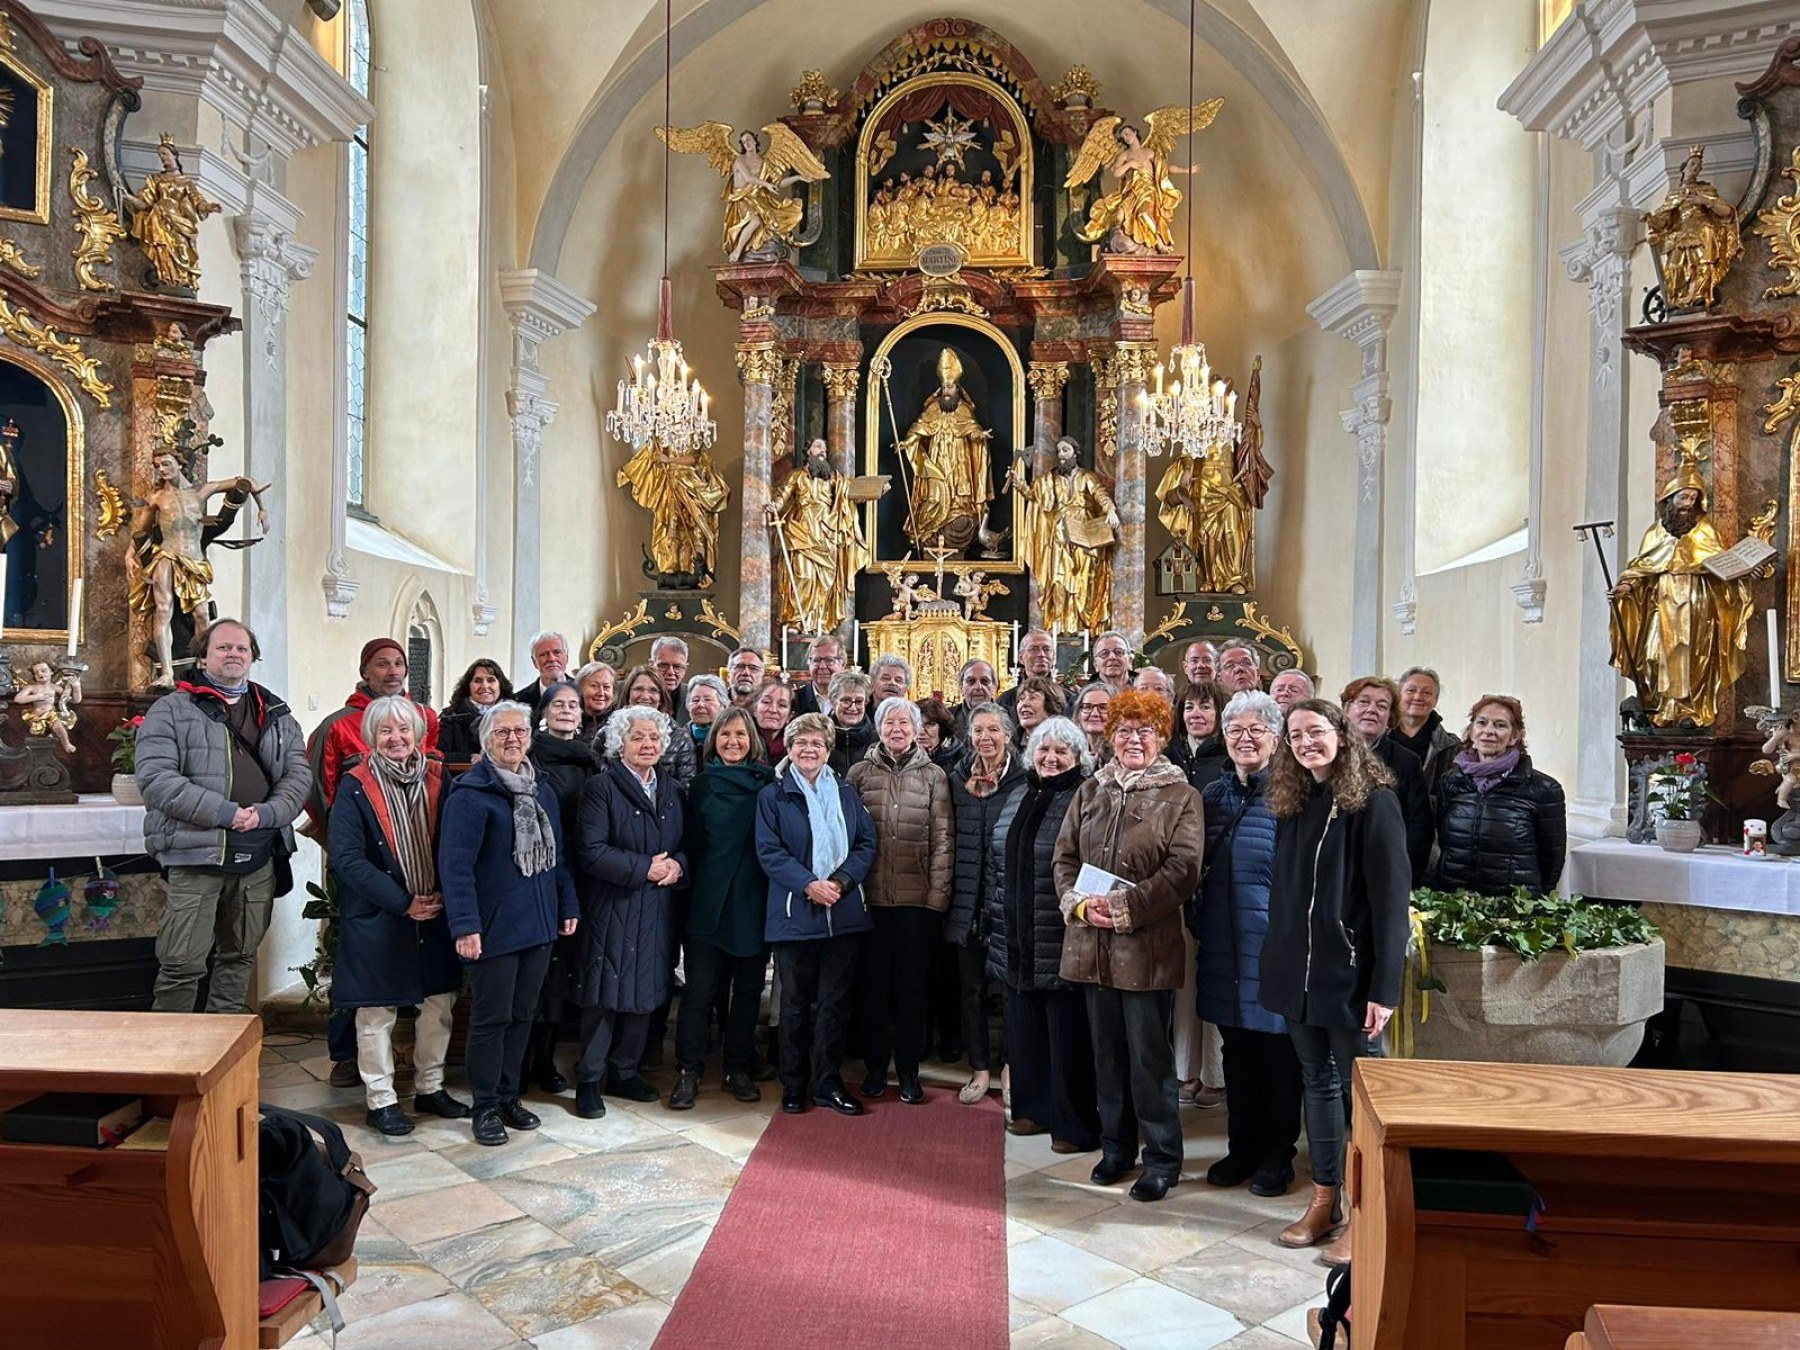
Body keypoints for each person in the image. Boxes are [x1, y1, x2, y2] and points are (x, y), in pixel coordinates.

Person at [1262, 698, 1409, 1264]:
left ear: (1342, 736)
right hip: (1299, 976)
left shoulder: (1375, 804)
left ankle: (1364, 1216)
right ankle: (1324, 1201)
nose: (1305, 743)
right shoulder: (1294, 800)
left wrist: (1385, 989)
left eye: (1315, 732)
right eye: (1295, 735)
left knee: (1361, 1103)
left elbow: (1391, 903)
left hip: (1350, 979)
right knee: (1316, 1085)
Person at [1054, 689, 1204, 1203]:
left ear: (1162, 738)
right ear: (1110, 737)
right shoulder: (1091, 790)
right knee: (1107, 1057)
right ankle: (1116, 1149)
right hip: (1092, 946)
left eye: (1145, 731)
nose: (1133, 739)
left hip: (1147, 949)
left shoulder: (1182, 796)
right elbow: (1064, 856)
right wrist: (1078, 904)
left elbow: (1182, 871)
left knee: (1148, 1060)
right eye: (1124, 730)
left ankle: (1162, 1159)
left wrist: (1123, 909)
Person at [138, 620, 309, 1014]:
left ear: (253, 657)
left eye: (241, 648)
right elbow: (157, 779)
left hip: (258, 851)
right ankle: (173, 1063)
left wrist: (265, 814)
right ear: (203, 655)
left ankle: (224, 1057)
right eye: (223, 648)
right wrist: (228, 814)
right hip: (198, 853)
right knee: (182, 963)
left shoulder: (276, 711)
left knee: (240, 957)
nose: (233, 654)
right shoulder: (171, 711)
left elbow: (299, 775)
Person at [440, 701, 579, 1146]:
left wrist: (566, 905)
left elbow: (556, 857)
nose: (513, 739)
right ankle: (484, 1106)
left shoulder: (541, 792)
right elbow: (455, 867)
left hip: (537, 924)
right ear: (486, 740)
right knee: (491, 1018)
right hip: (493, 928)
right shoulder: (470, 794)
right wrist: (465, 926)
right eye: (503, 733)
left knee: (523, 1016)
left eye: (520, 731)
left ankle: (507, 1095)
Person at [329, 696, 467, 1135]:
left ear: (418, 734)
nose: (396, 738)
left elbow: (456, 842)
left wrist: (442, 895)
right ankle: (382, 1098)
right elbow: (348, 860)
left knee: (438, 1004)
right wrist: (403, 901)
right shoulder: (354, 785)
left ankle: (430, 1086)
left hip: (436, 911)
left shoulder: (438, 777)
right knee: (375, 1012)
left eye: (404, 730)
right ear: (372, 736)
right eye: (386, 731)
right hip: (379, 913)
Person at [1191, 692, 1301, 1196]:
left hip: (1274, 950)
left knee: (1278, 1058)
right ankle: (1242, 1149)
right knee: (1236, 1054)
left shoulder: (1293, 797)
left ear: (1276, 739)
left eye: (1257, 730)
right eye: (1235, 731)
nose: (1245, 739)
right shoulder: (1213, 796)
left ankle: (1278, 1157)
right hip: (1223, 946)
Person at [755, 712, 878, 1115]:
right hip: (796, 913)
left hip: (842, 914)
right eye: (801, 743)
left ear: (827, 751)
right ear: (789, 749)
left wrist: (840, 882)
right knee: (793, 1004)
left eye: (817, 744)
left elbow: (865, 843)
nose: (810, 750)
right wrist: (809, 883)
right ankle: (793, 1084)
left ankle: (827, 1082)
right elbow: (770, 852)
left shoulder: (844, 793)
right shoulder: (772, 796)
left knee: (834, 1003)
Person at [988, 717, 1099, 1152]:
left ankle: (1073, 1123)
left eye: (1061, 752)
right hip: (1014, 932)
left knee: (1066, 1033)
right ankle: (1031, 1110)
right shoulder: (1018, 793)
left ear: (1078, 758)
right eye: (1043, 750)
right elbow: (998, 860)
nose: (1050, 759)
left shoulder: (1085, 796)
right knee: (1024, 1028)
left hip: (1061, 932)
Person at [571, 705, 686, 1116]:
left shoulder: (670, 788)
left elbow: (685, 845)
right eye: (638, 737)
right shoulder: (601, 788)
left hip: (656, 905)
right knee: (604, 992)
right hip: (613, 906)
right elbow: (590, 851)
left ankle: (624, 1072)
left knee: (644, 991)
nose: (647, 744)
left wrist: (677, 866)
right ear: (621, 742)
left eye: (654, 738)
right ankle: (589, 1079)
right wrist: (645, 868)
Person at [848, 697, 954, 1103]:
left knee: (912, 990)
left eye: (904, 723)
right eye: (889, 722)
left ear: (916, 731)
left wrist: (936, 898)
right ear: (879, 727)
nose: (897, 729)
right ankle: (876, 1066)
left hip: (916, 901)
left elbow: (943, 839)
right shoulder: (859, 772)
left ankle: (908, 1070)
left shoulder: (934, 776)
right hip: (870, 897)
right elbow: (849, 835)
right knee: (872, 987)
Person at [673, 707, 775, 1108]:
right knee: (699, 992)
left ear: (753, 741)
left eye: (741, 735)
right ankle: (689, 1069)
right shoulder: (699, 787)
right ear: (713, 740)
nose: (733, 742)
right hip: (707, 902)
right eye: (725, 735)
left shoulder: (769, 785)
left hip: (752, 900)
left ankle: (738, 1067)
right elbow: (692, 846)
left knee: (748, 991)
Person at [945, 701, 1026, 1105]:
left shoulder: (1024, 781)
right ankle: (979, 1069)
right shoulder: (956, 778)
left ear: (1008, 736)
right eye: (978, 731)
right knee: (970, 990)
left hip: (1005, 901)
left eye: (993, 730)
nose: (985, 738)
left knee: (1009, 990)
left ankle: (1011, 1068)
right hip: (965, 899)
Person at [525, 681, 600, 1093]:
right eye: (560, 704)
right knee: (538, 968)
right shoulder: (531, 754)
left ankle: (547, 1060)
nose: (568, 710)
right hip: (541, 871)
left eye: (574, 704)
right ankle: (523, 1061)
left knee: (562, 973)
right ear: (545, 711)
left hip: (582, 871)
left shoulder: (591, 758)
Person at [1433, 695, 1567, 896]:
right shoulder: (1451, 781)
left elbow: (1552, 858)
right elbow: (1444, 839)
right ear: (1471, 732)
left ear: (1515, 737)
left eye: (1500, 725)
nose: (1489, 731)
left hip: (1513, 908)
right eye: (1482, 723)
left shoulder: (1544, 789)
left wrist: (1533, 901)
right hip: (1454, 898)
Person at [308, 637, 443, 825]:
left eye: (399, 664)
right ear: (365, 672)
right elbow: (319, 791)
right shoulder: (336, 726)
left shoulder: (425, 716)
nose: (393, 672)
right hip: (360, 831)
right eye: (383, 664)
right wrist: (339, 832)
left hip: (419, 828)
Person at [1342, 676, 1433, 885]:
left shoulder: (1407, 762)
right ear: (1346, 710)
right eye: (1363, 702)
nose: (1372, 710)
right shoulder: (1325, 755)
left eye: (1382, 706)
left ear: (1390, 718)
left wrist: (1400, 878)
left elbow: (1419, 829)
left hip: (1383, 876)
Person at [612, 663, 697, 791]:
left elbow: (686, 789)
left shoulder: (681, 739)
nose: (645, 696)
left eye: (653, 690)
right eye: (638, 689)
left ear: (661, 698)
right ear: (628, 693)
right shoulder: (607, 733)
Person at [1393, 665, 1462, 795]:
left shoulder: (1452, 747)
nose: (1418, 697)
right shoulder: (1380, 741)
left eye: (1427, 692)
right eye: (1411, 690)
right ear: (1398, 695)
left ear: (1435, 701)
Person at [440, 659, 512, 764]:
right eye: (477, 681)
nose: (484, 686)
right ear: (468, 685)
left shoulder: (514, 715)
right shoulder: (451, 716)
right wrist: (470, 757)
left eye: (491, 680)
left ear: (500, 685)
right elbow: (440, 754)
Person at [1169, 680, 1228, 791]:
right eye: (1189, 707)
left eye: (1205, 707)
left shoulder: (1230, 755)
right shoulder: (1169, 751)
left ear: (1220, 713)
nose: (1195, 714)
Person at [1000, 629, 1058, 719]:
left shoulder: (1067, 699)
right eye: (1034, 649)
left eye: (1046, 649)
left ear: (1053, 657)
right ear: (1021, 658)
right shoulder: (1006, 701)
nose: (1041, 654)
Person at [826, 669, 875, 775]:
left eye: (858, 701)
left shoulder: (878, 740)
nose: (853, 708)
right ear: (833, 701)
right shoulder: (820, 737)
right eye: (846, 700)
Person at [515, 630, 572, 710]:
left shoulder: (583, 692)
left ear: (567, 657)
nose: (552, 659)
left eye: (557, 652)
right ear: (534, 661)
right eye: (543, 654)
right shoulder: (518, 701)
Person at [792, 634, 844, 716]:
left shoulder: (853, 700)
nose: (822, 666)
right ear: (809, 663)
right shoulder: (795, 699)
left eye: (829, 660)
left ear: (842, 664)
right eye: (816, 660)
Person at [1010, 675, 1066, 750]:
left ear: (1051, 705)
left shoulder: (1066, 743)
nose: (1024, 703)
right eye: (1021, 699)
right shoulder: (1009, 744)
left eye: (1033, 697)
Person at [573, 661, 618, 742]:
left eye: (606, 687)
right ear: (580, 689)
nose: (601, 693)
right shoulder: (570, 718)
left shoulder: (622, 723)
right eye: (594, 686)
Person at [650, 635, 691, 722]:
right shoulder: (630, 694)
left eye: (677, 666)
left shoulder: (694, 698)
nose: (671, 672)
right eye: (663, 665)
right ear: (651, 665)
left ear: (685, 669)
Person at [684, 673, 729, 751]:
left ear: (724, 706)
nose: (700, 704)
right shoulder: (677, 739)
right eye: (695, 700)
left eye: (708, 699)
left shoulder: (733, 741)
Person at [752, 678, 792, 762]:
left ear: (789, 716)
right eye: (766, 702)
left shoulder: (795, 748)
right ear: (754, 709)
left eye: (782, 705)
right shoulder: (742, 742)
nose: (773, 710)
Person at [1073, 682, 1113, 765]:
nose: (1094, 713)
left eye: (1103, 708)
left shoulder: (1121, 756)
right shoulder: (1071, 752)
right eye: (1087, 707)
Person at [918, 696, 963, 771]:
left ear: (942, 728)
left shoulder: (964, 759)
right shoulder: (902, 755)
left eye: (929, 724)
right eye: (917, 724)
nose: (921, 731)